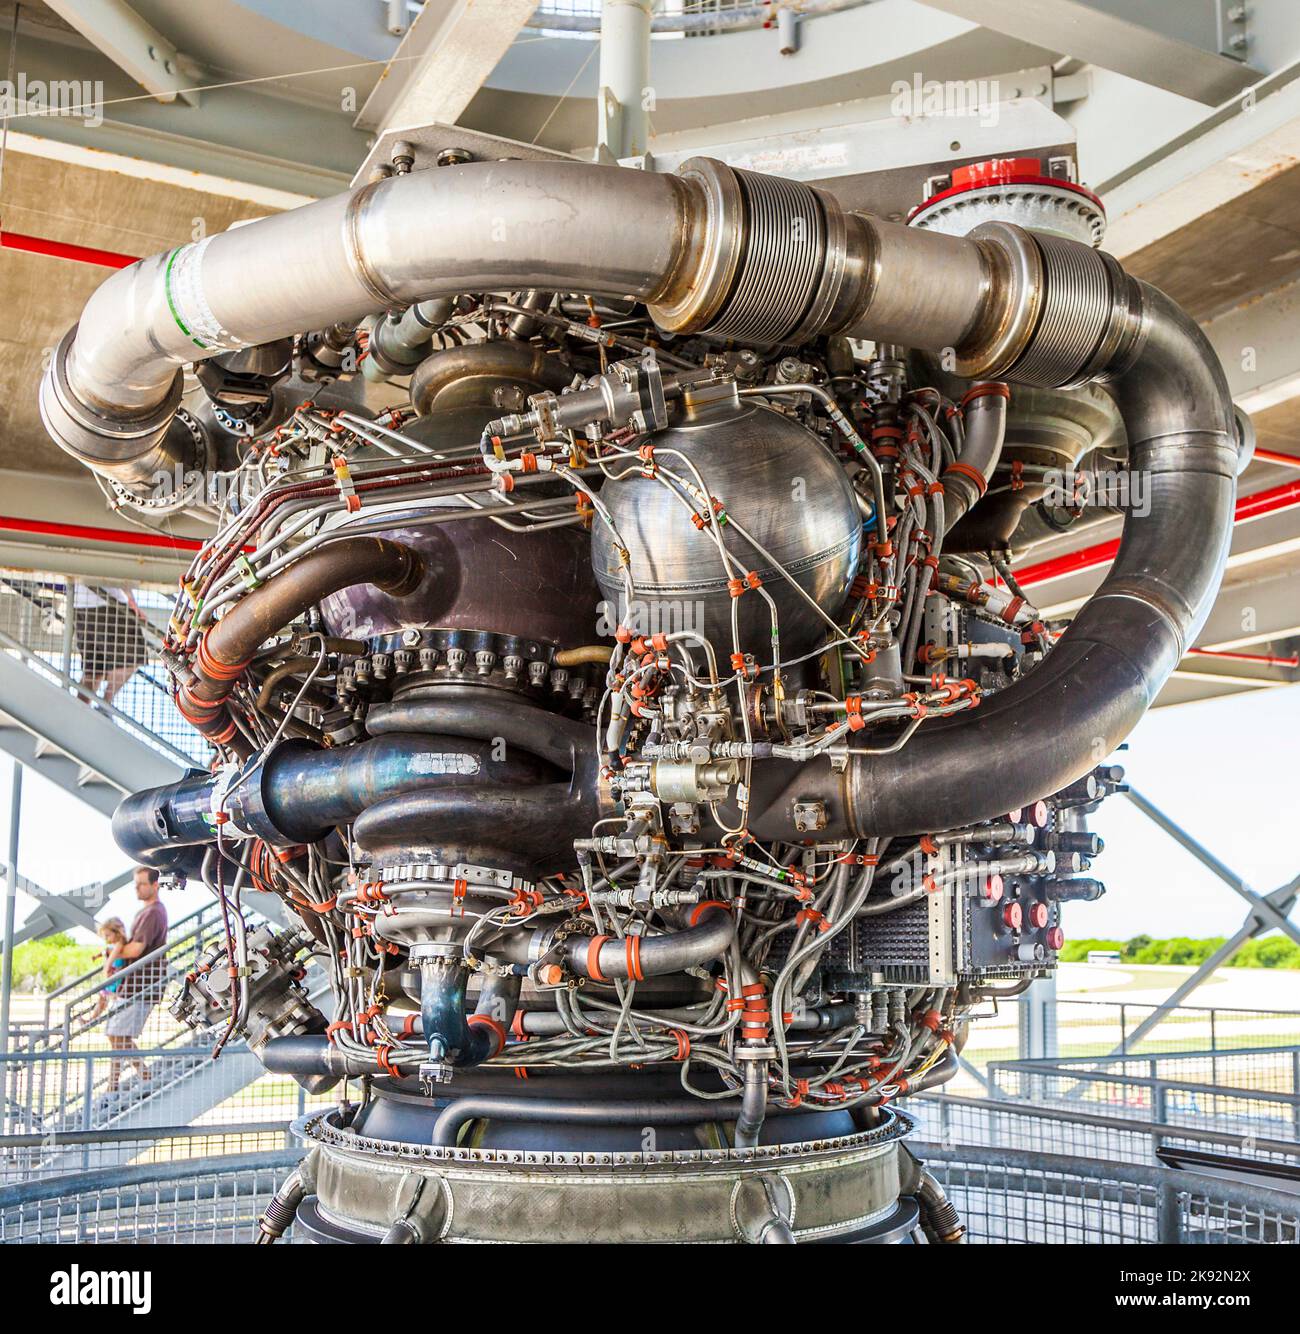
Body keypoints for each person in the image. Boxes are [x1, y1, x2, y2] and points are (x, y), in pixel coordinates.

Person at [104, 868, 169, 1091]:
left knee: (116, 1035)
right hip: (134, 986)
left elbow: (136, 949)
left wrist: (112, 953)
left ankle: (117, 1087)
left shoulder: (153, 913)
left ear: (155, 885)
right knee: (118, 1037)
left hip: (140, 987)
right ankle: (144, 1078)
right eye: (136, 884)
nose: (137, 888)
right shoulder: (147, 912)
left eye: (141, 884)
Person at [72, 582, 149, 706]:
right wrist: (131, 600)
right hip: (108, 602)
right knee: (132, 659)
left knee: (94, 669)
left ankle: (79, 709)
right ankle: (106, 706)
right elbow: (121, 571)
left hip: (80, 602)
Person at [92, 917, 127, 1018]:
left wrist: (107, 969)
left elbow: (113, 958)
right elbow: (105, 952)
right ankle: (92, 1018)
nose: (106, 939)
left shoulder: (120, 944)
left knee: (106, 996)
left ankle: (92, 1019)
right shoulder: (113, 945)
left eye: (108, 935)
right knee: (102, 997)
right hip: (114, 975)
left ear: (117, 932)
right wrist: (96, 956)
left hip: (116, 977)